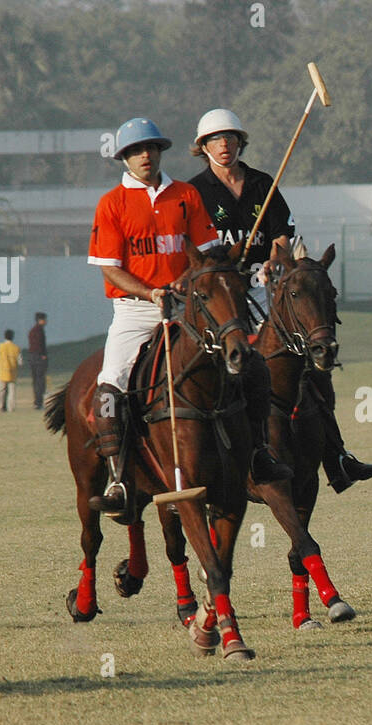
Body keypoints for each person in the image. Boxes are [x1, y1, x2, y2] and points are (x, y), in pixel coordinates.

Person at [87, 116, 291, 516]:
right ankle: (118, 480)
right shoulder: (112, 203)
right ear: (125, 158)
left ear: (161, 151)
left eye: (151, 148)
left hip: (186, 306)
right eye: (135, 151)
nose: (145, 156)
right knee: (110, 388)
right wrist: (151, 291)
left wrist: (183, 283)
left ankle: (258, 455)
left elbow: (208, 254)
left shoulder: (185, 195)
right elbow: (110, 268)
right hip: (136, 311)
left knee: (249, 368)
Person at [188, 107, 372, 493]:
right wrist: (227, 266)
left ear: (240, 143)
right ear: (203, 147)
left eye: (231, 138)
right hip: (222, 291)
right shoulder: (194, 192)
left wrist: (272, 265)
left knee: (308, 361)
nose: (224, 145)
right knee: (218, 365)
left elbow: (282, 235)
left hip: (263, 285)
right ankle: (201, 461)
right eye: (216, 139)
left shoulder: (263, 184)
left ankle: (337, 456)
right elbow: (193, 248)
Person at [0, 329, 20, 412]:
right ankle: (11, 408)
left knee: (0, 391)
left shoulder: (0, 347)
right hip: (12, 372)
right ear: (13, 337)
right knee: (12, 392)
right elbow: (20, 361)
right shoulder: (16, 348)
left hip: (2, 372)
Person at [28, 312, 48, 409]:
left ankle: (37, 401)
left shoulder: (32, 331)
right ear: (40, 320)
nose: (46, 321)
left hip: (32, 357)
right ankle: (39, 402)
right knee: (40, 381)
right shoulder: (39, 331)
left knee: (35, 380)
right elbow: (40, 345)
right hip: (39, 357)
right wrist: (43, 355)